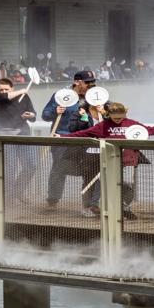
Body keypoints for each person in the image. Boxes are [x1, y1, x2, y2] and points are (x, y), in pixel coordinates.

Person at [62, 101, 154, 221]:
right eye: (115, 117)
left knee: (128, 183)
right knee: (109, 185)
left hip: (128, 159)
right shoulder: (103, 126)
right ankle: (110, 210)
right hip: (110, 160)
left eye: (121, 117)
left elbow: (149, 130)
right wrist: (62, 137)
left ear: (125, 113)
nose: (118, 120)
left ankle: (124, 207)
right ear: (109, 114)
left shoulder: (131, 124)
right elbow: (84, 133)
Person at [42, 70, 104, 214]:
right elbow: (45, 115)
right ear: (77, 82)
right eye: (87, 82)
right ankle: (53, 200)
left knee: (91, 169)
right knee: (59, 168)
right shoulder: (61, 95)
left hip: (86, 139)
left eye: (93, 82)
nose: (91, 85)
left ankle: (89, 205)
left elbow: (110, 110)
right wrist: (55, 111)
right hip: (62, 138)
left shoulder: (94, 97)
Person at [0, 77, 38, 202]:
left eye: (6, 89)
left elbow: (33, 115)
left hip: (24, 134)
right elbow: (4, 97)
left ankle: (19, 190)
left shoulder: (24, 97)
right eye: (1, 89)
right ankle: (8, 197)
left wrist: (31, 115)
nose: (3, 91)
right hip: (4, 136)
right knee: (9, 168)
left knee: (31, 165)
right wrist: (21, 91)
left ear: (12, 88)